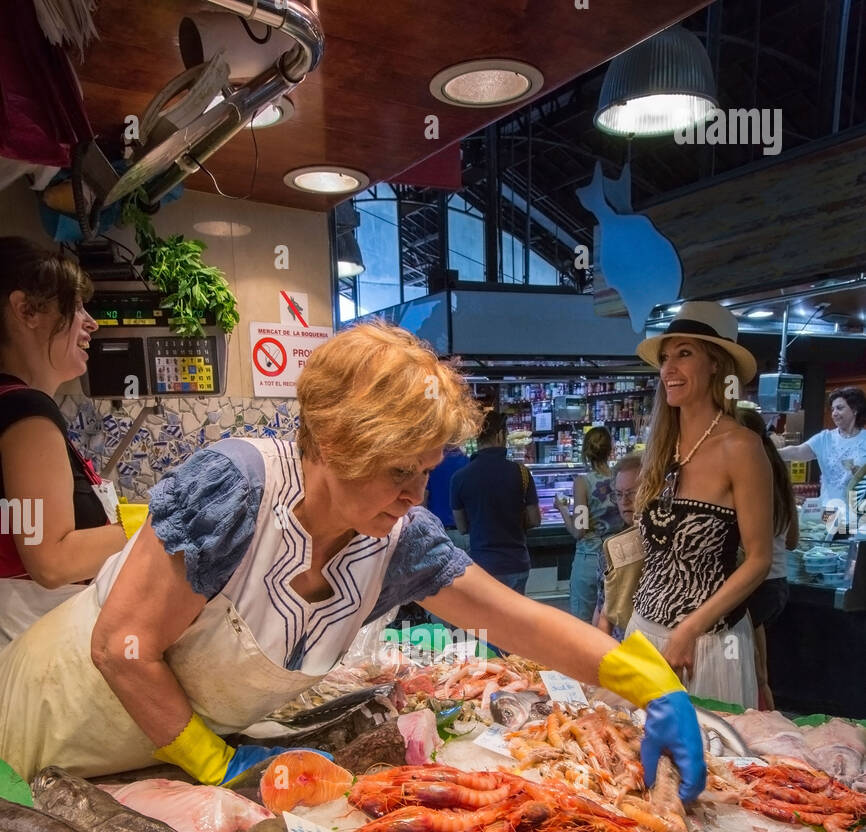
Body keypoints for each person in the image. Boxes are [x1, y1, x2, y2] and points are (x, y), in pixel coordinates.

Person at [0, 320, 706, 802]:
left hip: (160, 754)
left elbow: (516, 620)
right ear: (334, 442)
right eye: (399, 468)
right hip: (55, 717)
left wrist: (649, 682)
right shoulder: (235, 489)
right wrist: (216, 763)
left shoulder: (398, 539)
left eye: (427, 469)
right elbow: (122, 649)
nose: (416, 493)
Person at [628, 301, 774, 709]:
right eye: (665, 357)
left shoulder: (741, 447)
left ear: (716, 364)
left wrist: (689, 629)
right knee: (630, 762)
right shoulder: (660, 448)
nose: (669, 368)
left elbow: (759, 559)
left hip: (710, 644)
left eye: (685, 353)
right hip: (643, 634)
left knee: (713, 766)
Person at [0, 237, 128, 647]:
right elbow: (51, 561)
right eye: (75, 308)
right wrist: (163, 524)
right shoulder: (24, 411)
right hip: (31, 647)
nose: (91, 323)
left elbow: (20, 527)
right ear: (26, 311)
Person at [736, 401, 798, 709]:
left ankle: (763, 728)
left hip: (754, 587)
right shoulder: (781, 477)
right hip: (779, 584)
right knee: (761, 671)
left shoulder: (749, 479)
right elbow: (793, 541)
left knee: (755, 674)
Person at [450, 411, 541, 593]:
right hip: (516, 562)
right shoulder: (521, 473)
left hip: (482, 565)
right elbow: (535, 519)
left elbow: (461, 527)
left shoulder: (459, 478)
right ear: (500, 435)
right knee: (514, 618)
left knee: (485, 620)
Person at [555, 425, 622, 621]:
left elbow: (579, 530)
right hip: (617, 558)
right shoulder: (620, 479)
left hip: (589, 560)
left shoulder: (583, 483)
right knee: (614, 624)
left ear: (585, 451)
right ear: (611, 450)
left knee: (581, 624)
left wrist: (563, 510)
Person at [779, 386, 866, 522]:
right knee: (826, 540)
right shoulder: (824, 438)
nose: (834, 413)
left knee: (854, 543)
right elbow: (797, 451)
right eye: (832, 409)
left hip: (860, 515)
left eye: (840, 408)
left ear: (855, 410)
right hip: (829, 512)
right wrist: (769, 452)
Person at [592, 453, 643, 640]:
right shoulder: (612, 547)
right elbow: (602, 607)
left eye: (631, 493)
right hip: (620, 647)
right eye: (619, 494)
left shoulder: (665, 545)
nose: (624, 501)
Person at [424, 441, 470, 549]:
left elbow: (423, 502)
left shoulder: (432, 466)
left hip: (438, 532)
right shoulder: (469, 463)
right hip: (465, 533)